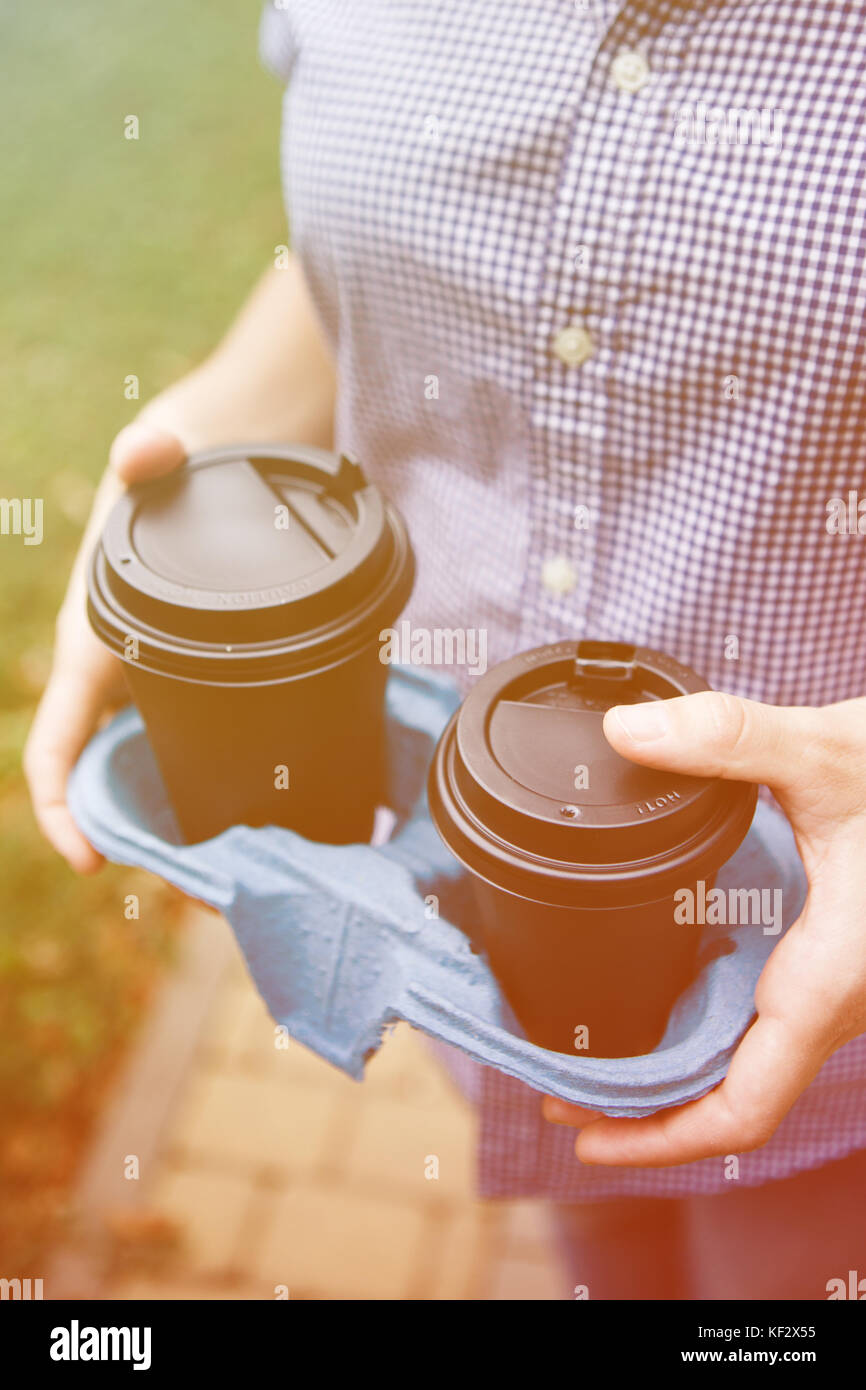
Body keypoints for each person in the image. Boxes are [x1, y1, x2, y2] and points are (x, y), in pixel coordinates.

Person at [24, 2, 866, 1299]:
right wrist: (212, 436)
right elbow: (349, 260)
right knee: (599, 1258)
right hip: (506, 960)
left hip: (814, 997)